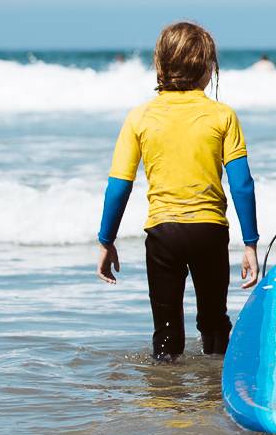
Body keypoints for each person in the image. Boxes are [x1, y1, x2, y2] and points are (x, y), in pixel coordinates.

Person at [95, 21, 260, 360]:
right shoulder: (222, 116)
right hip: (209, 232)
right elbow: (242, 184)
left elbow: (119, 186)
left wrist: (106, 240)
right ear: (207, 68)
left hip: (163, 234)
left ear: (161, 64)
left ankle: (164, 388)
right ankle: (215, 383)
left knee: (167, 329)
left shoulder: (140, 117)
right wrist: (250, 243)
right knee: (214, 321)